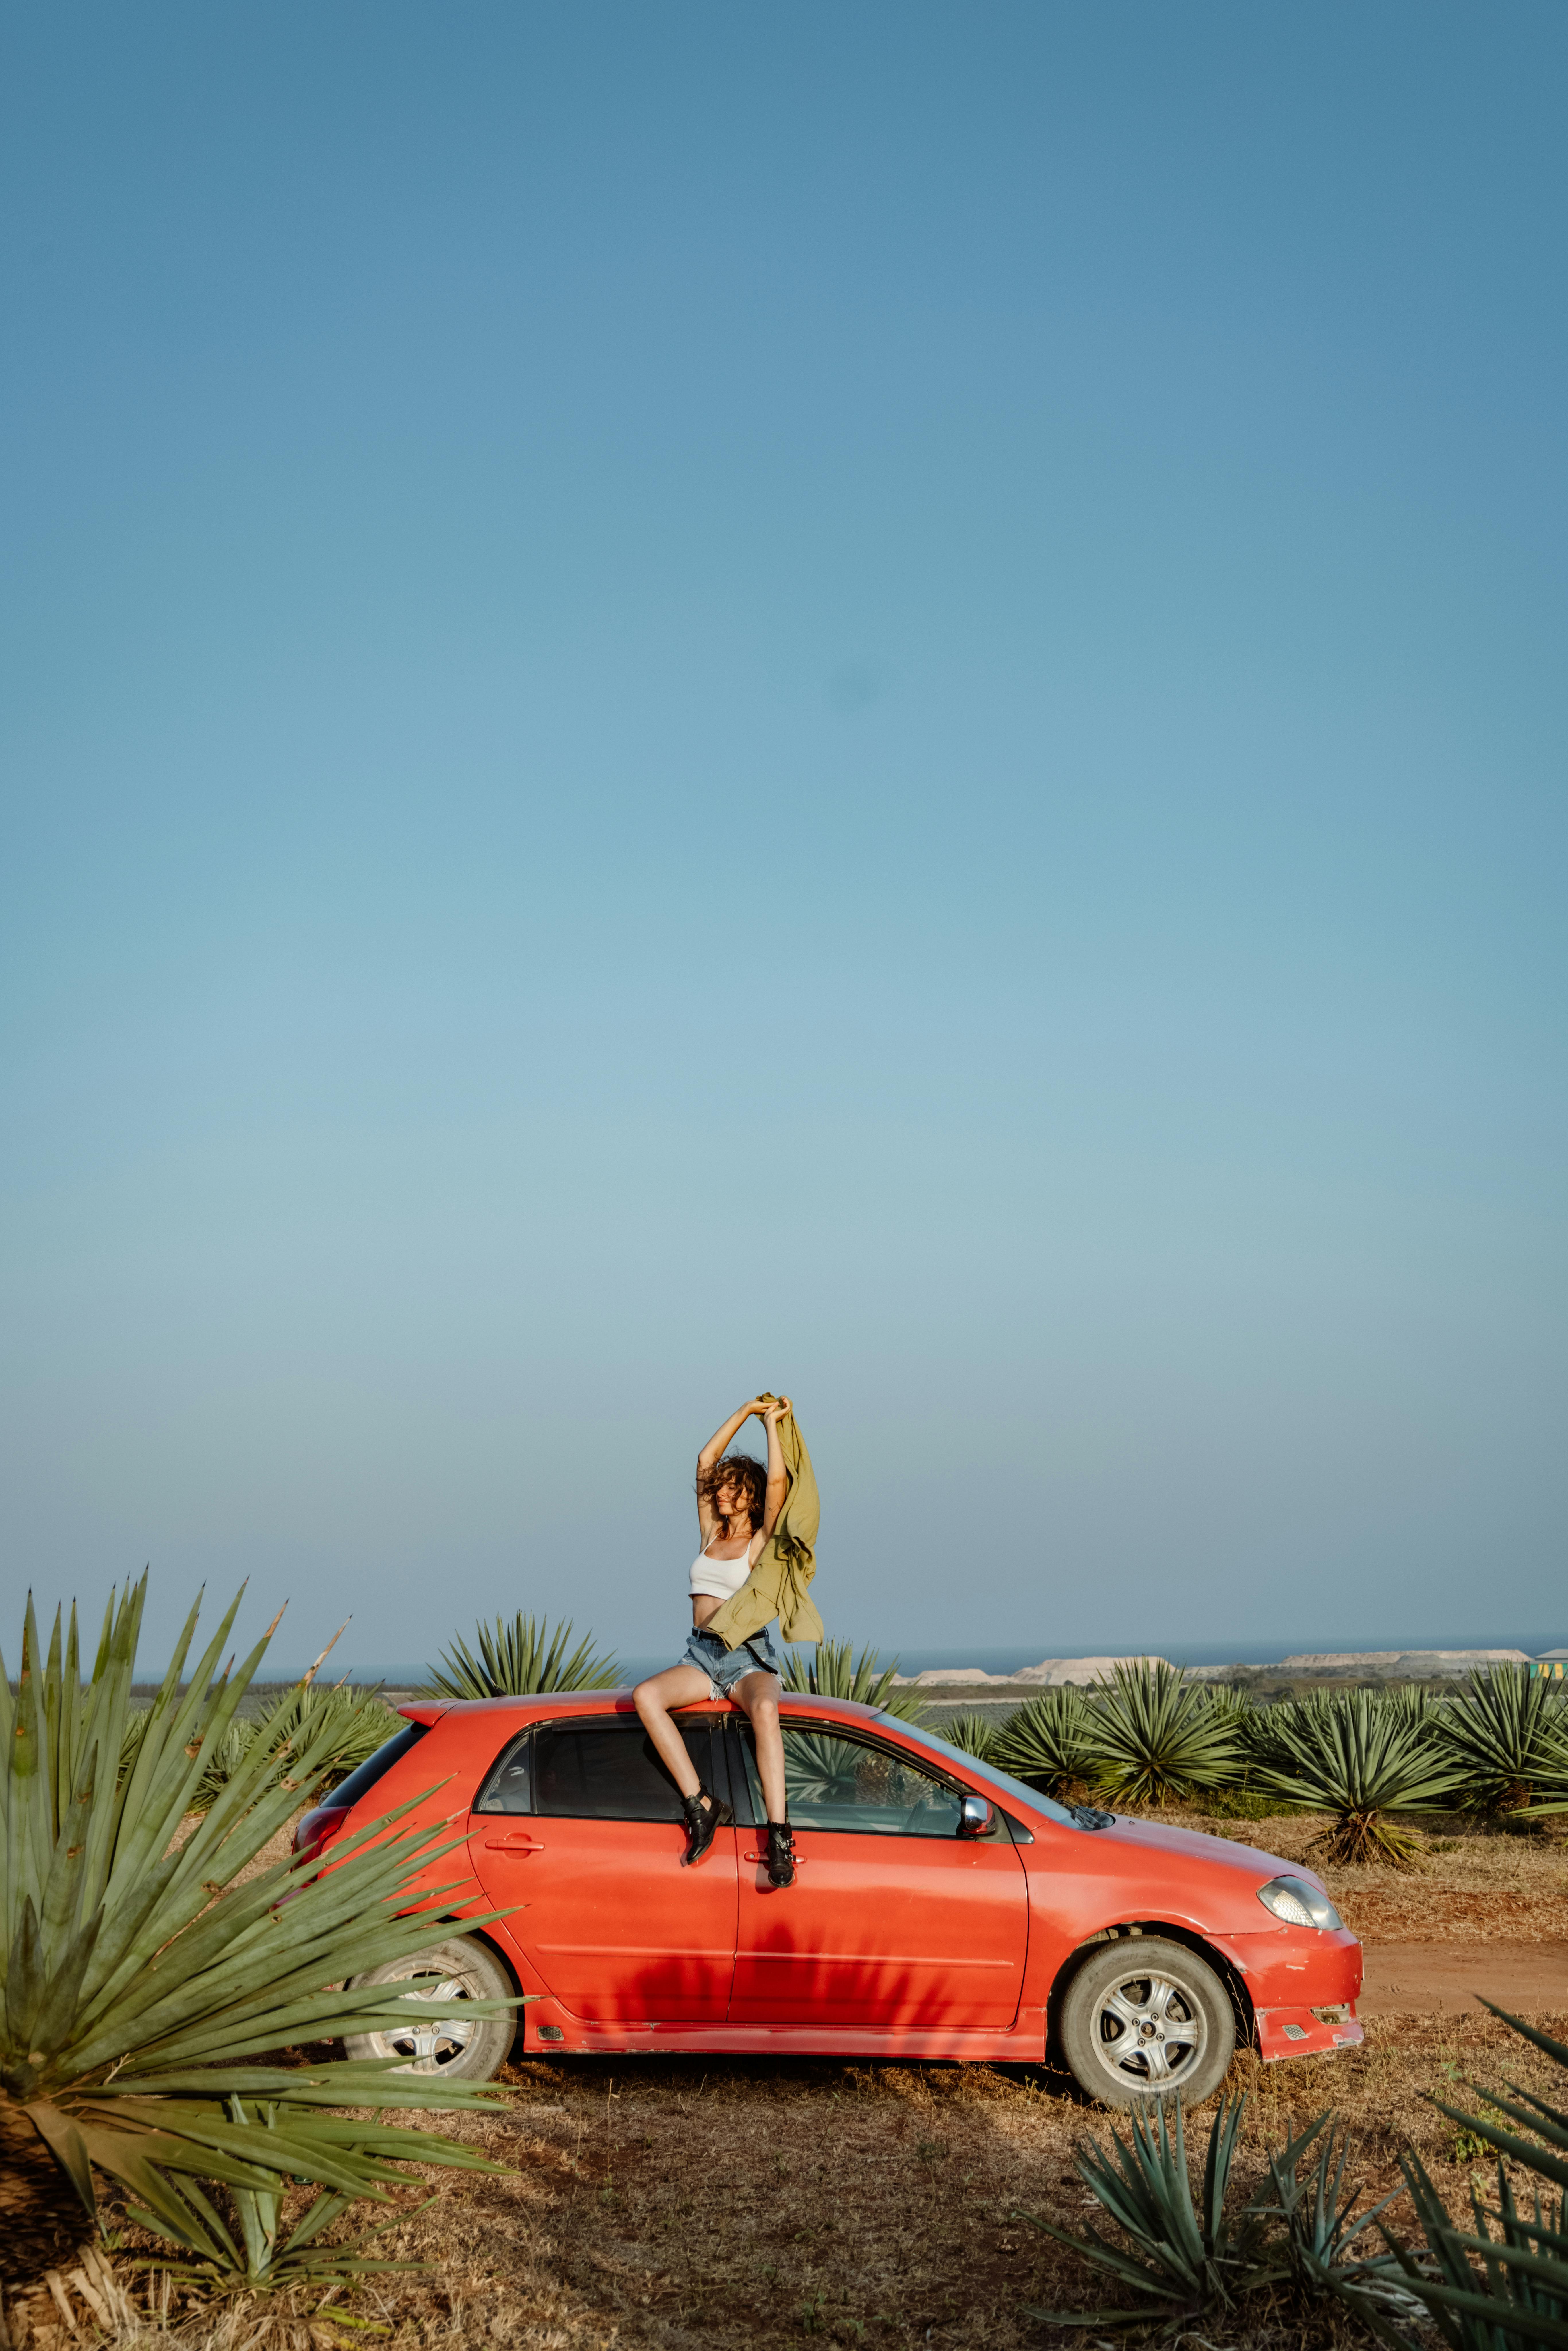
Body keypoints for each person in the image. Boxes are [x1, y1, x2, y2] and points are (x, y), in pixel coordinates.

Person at [633, 1395, 797, 1887]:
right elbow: (704, 1461)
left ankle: (780, 1835)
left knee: (766, 1713)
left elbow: (778, 1482)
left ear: (749, 1496)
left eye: (732, 1488)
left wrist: (771, 1425)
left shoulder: (759, 1543)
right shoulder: (710, 1533)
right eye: (721, 1488)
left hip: (747, 1658)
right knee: (647, 1697)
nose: (721, 1493)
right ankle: (701, 1804)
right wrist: (745, 1410)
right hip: (702, 1655)